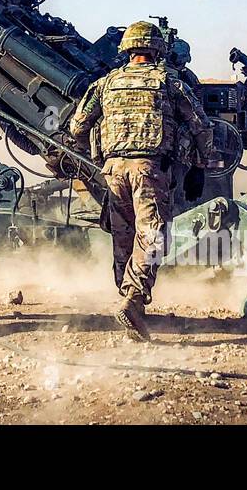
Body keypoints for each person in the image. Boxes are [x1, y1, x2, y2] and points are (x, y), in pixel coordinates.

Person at [68, 20, 214, 342]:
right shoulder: (169, 83)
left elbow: (77, 127)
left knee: (124, 234)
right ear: (157, 49)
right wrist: (199, 167)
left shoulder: (105, 84)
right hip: (150, 170)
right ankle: (133, 300)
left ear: (128, 49)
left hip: (113, 171)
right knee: (153, 235)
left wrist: (98, 153)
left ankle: (128, 299)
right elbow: (201, 126)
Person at [167, 37, 208, 207]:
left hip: (177, 148)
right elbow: (200, 122)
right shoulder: (172, 79)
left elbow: (198, 114)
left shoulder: (185, 77)